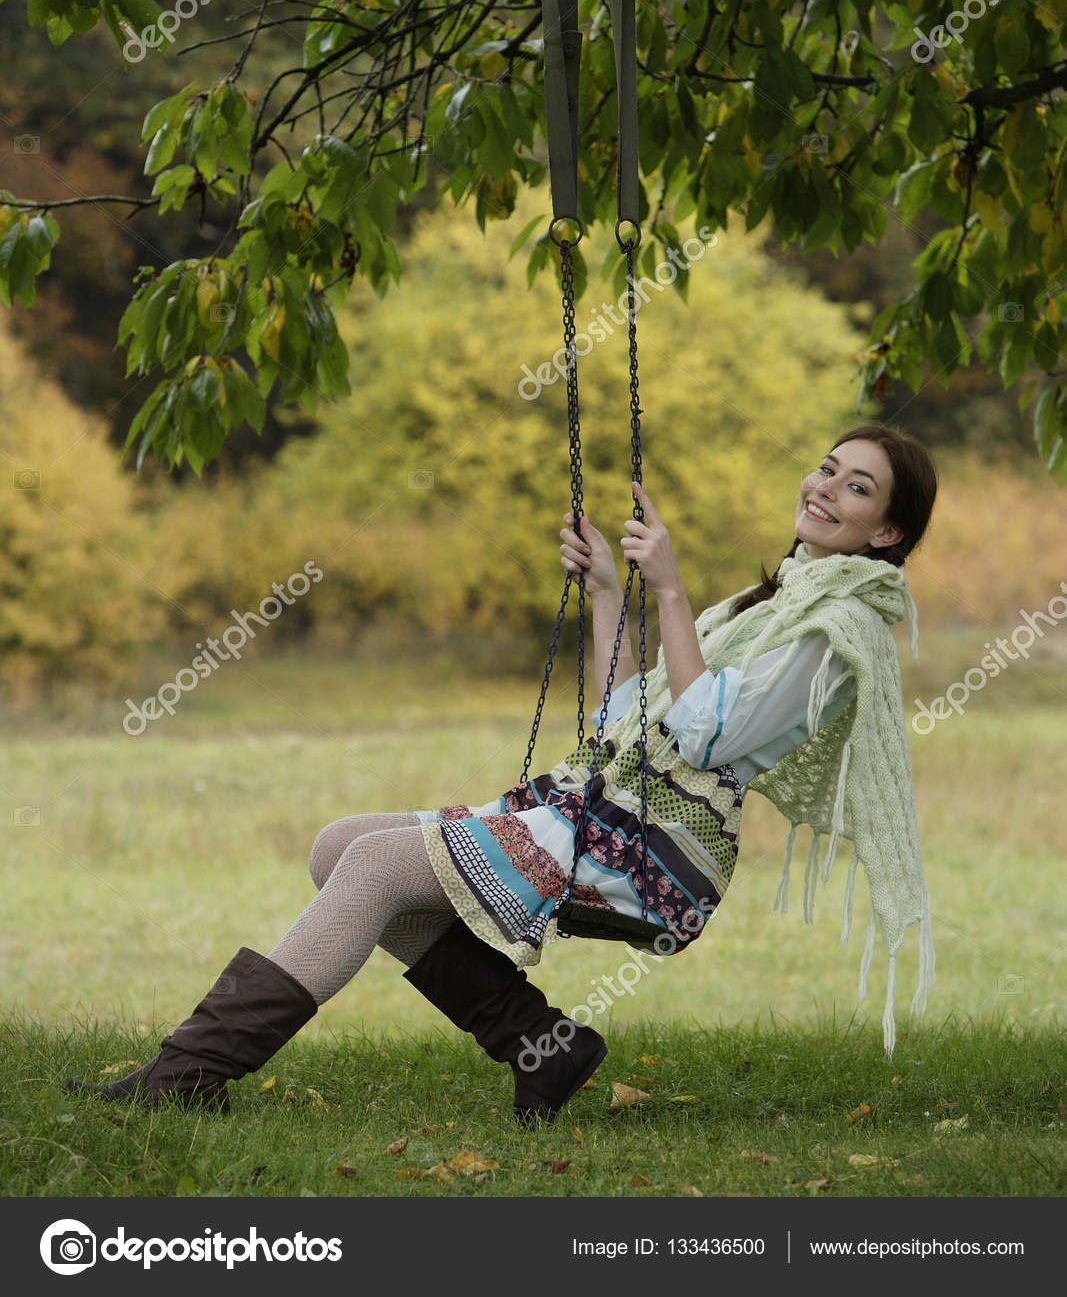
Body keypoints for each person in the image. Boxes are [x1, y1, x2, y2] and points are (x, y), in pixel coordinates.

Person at [66, 423, 938, 1125]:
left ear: (887, 530)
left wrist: (669, 592)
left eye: (855, 486)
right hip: (606, 814)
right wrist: (607, 591)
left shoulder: (835, 633)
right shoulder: (776, 602)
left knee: (374, 870)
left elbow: (705, 740)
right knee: (341, 848)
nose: (823, 488)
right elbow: (624, 714)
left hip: (655, 855)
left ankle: (186, 1076)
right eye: (825, 468)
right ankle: (539, 1045)